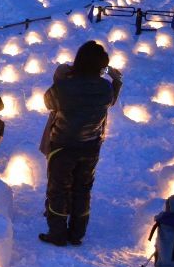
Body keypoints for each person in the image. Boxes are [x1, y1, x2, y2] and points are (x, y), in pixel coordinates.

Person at [39, 40, 122, 246]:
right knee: (82, 189)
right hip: (90, 146)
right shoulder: (105, 88)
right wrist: (116, 81)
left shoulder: (65, 87)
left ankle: (57, 233)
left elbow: (48, 102)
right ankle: (77, 233)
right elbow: (111, 101)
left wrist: (60, 77)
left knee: (58, 188)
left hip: (63, 145)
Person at [38, 63, 73, 156]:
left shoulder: (61, 93)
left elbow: (48, 102)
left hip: (62, 138)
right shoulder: (99, 87)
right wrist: (116, 81)